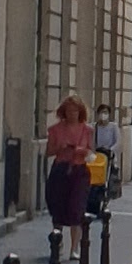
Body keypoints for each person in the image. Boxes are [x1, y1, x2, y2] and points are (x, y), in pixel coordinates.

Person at [44, 95, 93, 238]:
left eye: (75, 111)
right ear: (63, 112)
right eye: (69, 111)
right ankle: (57, 242)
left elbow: (92, 154)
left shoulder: (87, 130)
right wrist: (60, 148)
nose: (72, 114)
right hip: (61, 170)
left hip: (79, 171)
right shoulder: (55, 130)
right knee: (58, 207)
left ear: (80, 112)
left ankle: (75, 248)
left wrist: (82, 151)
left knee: (76, 208)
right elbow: (48, 152)